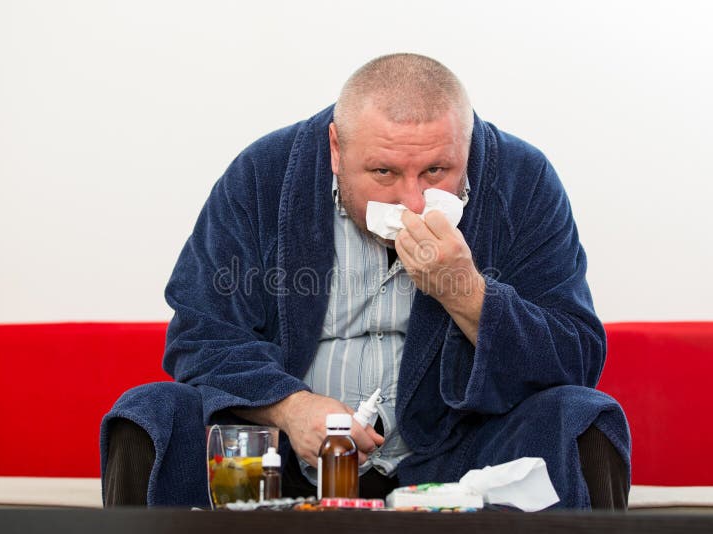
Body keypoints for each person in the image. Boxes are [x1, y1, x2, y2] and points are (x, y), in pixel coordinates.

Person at [101, 53, 630, 510]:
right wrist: (289, 406)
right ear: (336, 150)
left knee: (579, 416)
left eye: (437, 170)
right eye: (383, 173)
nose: (413, 202)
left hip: (458, 456)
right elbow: (200, 334)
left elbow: (575, 356)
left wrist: (465, 292)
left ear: (469, 148)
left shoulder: (522, 179)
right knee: (153, 411)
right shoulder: (264, 174)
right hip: (284, 459)